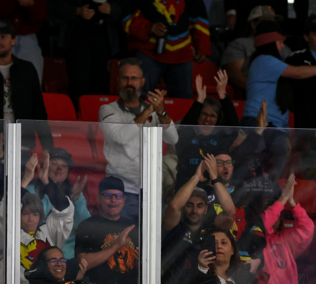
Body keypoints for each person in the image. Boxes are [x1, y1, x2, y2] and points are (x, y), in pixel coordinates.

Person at [99, 58, 179, 219]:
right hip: (121, 191)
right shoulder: (108, 110)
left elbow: (172, 138)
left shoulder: (152, 113)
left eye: (134, 78)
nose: (130, 82)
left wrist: (161, 112)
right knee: (126, 242)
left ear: (142, 82)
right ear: (118, 80)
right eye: (125, 78)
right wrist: (149, 110)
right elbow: (121, 137)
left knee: (152, 242)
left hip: (151, 188)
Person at [0, 165, 75, 284]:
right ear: (17, 215)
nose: (31, 219)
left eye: (35, 214)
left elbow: (64, 212)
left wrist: (47, 183)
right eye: (25, 213)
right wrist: (25, 181)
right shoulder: (7, 232)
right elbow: (4, 212)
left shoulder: (47, 233)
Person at [0, 20, 52, 152]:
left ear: (13, 40)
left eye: (3, 37)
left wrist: (47, 146)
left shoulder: (27, 69)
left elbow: (39, 111)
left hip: (22, 142)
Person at [240, 22, 316, 128]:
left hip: (275, 122)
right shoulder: (264, 60)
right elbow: (298, 73)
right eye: (280, 42)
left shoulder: (266, 62)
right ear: (270, 42)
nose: (282, 46)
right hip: (259, 121)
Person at [122, 0, 210, 100]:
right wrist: (148, 27)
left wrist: (202, 47)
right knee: (138, 96)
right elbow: (127, 12)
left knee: (182, 102)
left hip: (181, 53)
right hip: (148, 51)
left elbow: (199, 15)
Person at [74, 176, 141, 284]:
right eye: (107, 196)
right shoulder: (87, 226)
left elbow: (137, 268)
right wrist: (116, 246)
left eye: (118, 196)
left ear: (124, 199)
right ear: (98, 198)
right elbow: (83, 264)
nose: (113, 200)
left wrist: (139, 262)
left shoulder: (132, 227)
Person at [175, 71, 240, 186]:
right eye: (204, 114)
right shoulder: (189, 134)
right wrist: (199, 100)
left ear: (217, 120)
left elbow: (234, 127)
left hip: (213, 187)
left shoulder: (220, 138)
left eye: (212, 116)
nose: (207, 119)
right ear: (198, 116)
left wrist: (223, 95)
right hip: (186, 185)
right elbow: (184, 128)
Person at [55, 0, 123, 105]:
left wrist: (112, 9)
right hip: (77, 39)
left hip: (105, 41)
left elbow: (126, 6)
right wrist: (77, 11)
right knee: (79, 87)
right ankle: (80, 117)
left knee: (102, 87)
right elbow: (55, 7)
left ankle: (100, 118)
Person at [258, 174, 313, 284]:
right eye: (273, 212)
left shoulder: (284, 239)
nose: (275, 219)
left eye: (279, 215)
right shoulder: (257, 238)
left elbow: (308, 228)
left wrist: (292, 202)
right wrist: (283, 198)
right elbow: (264, 223)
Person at [29, 148, 91, 258]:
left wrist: (76, 199)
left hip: (64, 258)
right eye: (54, 164)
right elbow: (30, 222)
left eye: (64, 166)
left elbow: (85, 228)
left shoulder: (74, 193)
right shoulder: (32, 190)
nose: (59, 168)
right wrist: (48, 186)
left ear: (67, 172)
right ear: (45, 167)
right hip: (35, 255)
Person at [221, 6, 291, 95]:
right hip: (251, 95)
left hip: (281, 96)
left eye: (273, 21)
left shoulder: (284, 47)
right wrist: (259, 90)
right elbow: (233, 74)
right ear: (253, 24)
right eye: (266, 21)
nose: (271, 25)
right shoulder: (239, 44)